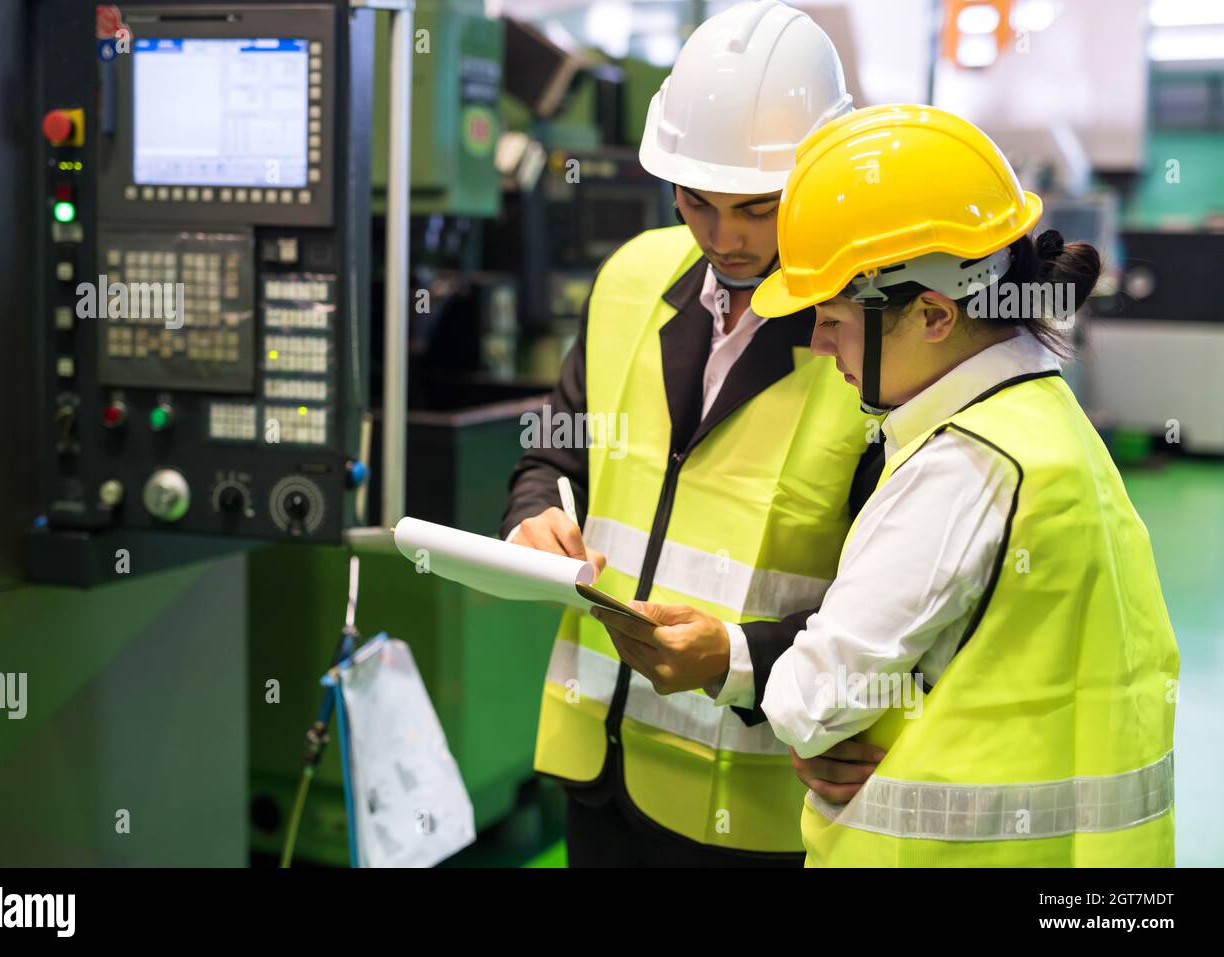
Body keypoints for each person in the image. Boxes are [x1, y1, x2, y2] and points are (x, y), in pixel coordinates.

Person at [595, 104, 1179, 866]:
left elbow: (810, 702)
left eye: (833, 317)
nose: (816, 341)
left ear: (933, 314)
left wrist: (811, 706)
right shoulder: (1040, 420)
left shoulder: (961, 465)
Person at [500, 1, 884, 866]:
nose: (726, 237)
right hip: (600, 764)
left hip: (754, 796)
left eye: (758, 207)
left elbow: (898, 593)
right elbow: (554, 447)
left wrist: (739, 657)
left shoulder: (867, 335)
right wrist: (534, 515)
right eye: (698, 202)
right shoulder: (633, 277)